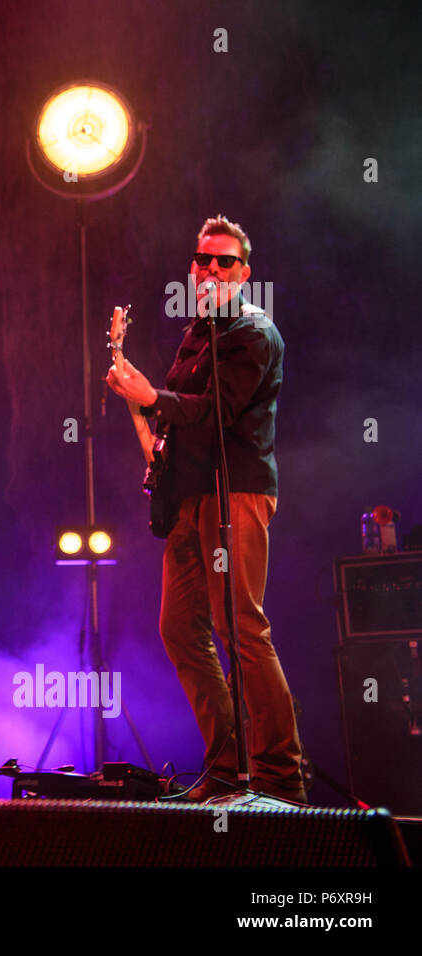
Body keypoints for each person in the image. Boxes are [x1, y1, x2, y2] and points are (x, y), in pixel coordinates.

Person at [105, 215, 305, 803]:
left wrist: (154, 398)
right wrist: (140, 401)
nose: (211, 269)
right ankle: (226, 768)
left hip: (235, 491)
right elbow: (177, 415)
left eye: (225, 262)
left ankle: (279, 779)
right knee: (179, 630)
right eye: (203, 260)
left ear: (244, 272)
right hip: (191, 496)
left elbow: (216, 410)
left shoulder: (253, 333)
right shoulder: (197, 334)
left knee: (240, 627)